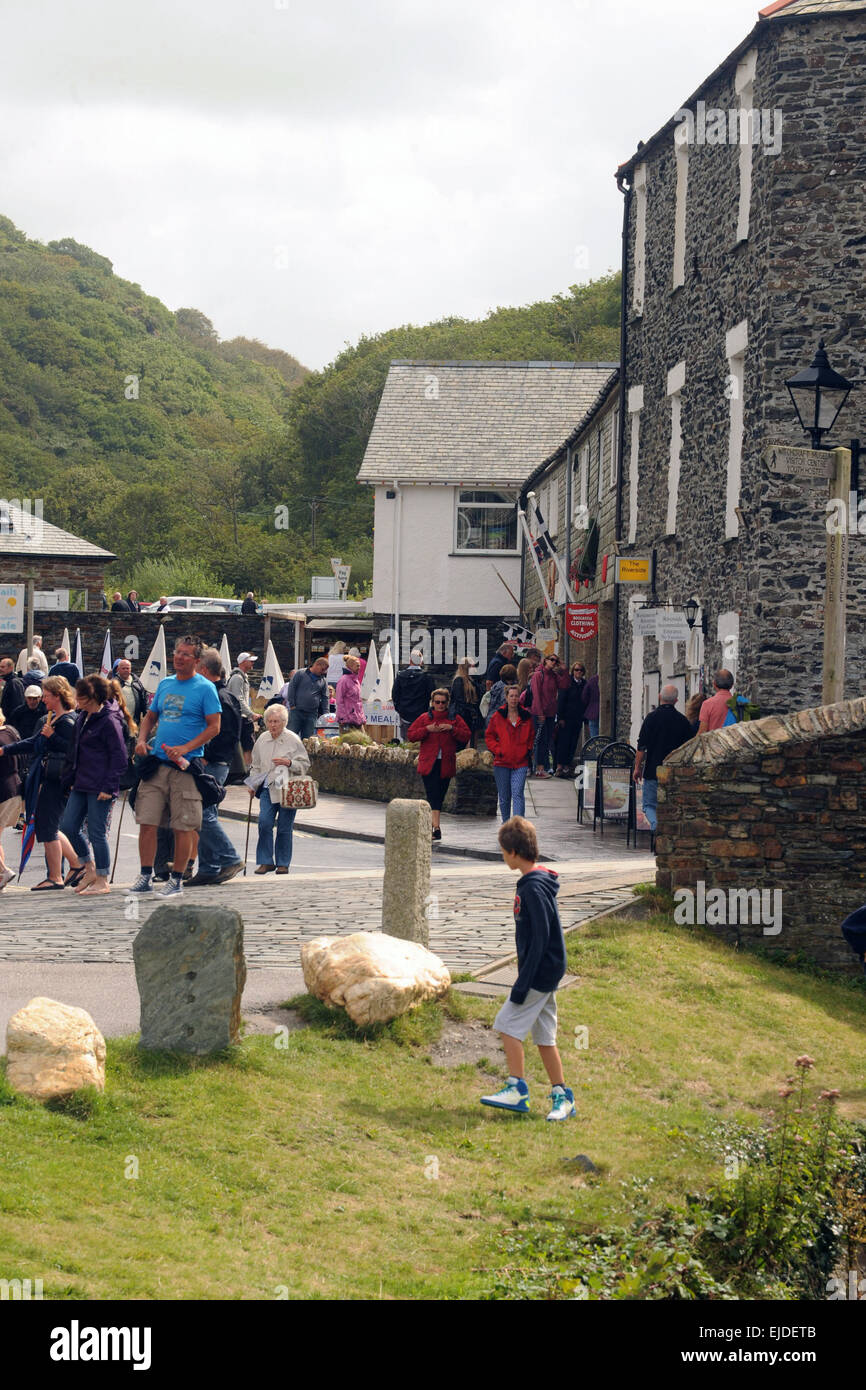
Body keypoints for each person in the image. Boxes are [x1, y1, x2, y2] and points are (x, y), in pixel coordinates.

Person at [479, 816, 574, 1122]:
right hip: (547, 970)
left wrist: (523, 982)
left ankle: (516, 1090)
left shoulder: (532, 889)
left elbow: (542, 937)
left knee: (506, 1024)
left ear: (514, 852)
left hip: (540, 972)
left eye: (503, 852)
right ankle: (563, 1097)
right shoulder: (537, 881)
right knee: (545, 1037)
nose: (503, 856)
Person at [129, 635, 222, 897]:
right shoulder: (166, 684)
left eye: (185, 654)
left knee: (184, 825)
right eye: (177, 652)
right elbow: (150, 716)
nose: (178, 657)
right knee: (147, 821)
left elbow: (215, 727)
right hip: (157, 762)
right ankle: (145, 875)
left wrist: (186, 747)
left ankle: (177, 879)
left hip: (185, 766)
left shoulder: (205, 688)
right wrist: (142, 739)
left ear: (196, 660)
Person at [0, 676, 79, 890]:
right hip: (47, 777)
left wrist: (52, 736)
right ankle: (76, 865)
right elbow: (35, 742)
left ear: (58, 696)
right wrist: (6, 750)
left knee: (47, 827)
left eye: (46, 696)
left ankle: (57, 876)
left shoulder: (67, 720)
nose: (43, 699)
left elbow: (72, 750)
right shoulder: (52, 717)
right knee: (47, 826)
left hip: (57, 779)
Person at [58, 675, 129, 896]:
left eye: (81, 698)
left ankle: (102, 879)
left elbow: (119, 756)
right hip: (81, 782)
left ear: (93, 698)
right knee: (68, 826)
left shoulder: (109, 720)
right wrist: (69, 779)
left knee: (97, 833)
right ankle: (88, 868)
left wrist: (109, 787)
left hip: (101, 785)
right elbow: (75, 750)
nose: (77, 702)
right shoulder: (83, 717)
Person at [188, 648, 244, 886]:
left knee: (203, 813)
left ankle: (230, 857)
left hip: (213, 762)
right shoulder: (221, 694)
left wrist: (207, 755)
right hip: (214, 761)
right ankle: (209, 868)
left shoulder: (220, 697)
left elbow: (228, 733)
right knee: (204, 813)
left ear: (203, 670)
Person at [248, 703, 310, 874]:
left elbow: (305, 764)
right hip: (268, 787)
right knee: (264, 823)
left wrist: (289, 763)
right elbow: (255, 765)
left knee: (284, 827)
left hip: (288, 789)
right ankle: (266, 861)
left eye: (276, 721)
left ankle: (283, 863)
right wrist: (253, 784)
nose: (273, 725)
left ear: (284, 722)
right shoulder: (262, 739)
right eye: (270, 721)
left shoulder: (293, 739)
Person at [407, 689, 470, 842]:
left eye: (443, 702)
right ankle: (436, 827)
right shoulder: (425, 718)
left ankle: (432, 826)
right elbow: (411, 735)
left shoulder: (454, 718)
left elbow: (466, 735)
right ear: (432, 702)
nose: (440, 705)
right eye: (437, 702)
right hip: (429, 763)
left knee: (439, 795)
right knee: (432, 794)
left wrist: (452, 729)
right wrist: (427, 730)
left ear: (447, 703)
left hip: (446, 763)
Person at [633, 683, 693, 834]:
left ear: (660, 697)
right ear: (676, 701)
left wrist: (637, 768)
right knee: (672, 804)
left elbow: (641, 746)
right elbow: (689, 748)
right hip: (674, 771)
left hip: (653, 769)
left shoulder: (651, 718)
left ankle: (656, 826)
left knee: (649, 806)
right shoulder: (683, 721)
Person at [485, 684, 535, 822]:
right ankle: (506, 823)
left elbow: (532, 735)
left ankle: (519, 826)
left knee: (518, 793)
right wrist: (497, 750)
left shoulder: (526, 716)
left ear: (520, 697)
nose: (514, 699)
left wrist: (528, 749)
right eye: (511, 696)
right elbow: (489, 736)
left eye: (516, 696)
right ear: (506, 697)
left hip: (521, 762)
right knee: (504, 796)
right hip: (502, 762)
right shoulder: (498, 716)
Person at [529, 654, 569, 777]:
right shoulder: (538, 675)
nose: (554, 662)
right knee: (540, 740)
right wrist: (540, 713)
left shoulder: (554, 676)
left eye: (556, 661)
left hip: (551, 713)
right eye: (552, 660)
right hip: (539, 713)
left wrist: (565, 670)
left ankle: (542, 768)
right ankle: (539, 768)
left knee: (546, 741)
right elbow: (536, 695)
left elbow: (564, 685)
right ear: (545, 661)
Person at [0, 709, 23, 890]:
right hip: (15, 787)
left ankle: (4, 871)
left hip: (5, 792)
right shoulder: (10, 731)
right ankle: (2, 876)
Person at [226, 652, 262, 767]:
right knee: (247, 744)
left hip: (240, 716)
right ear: (242, 662)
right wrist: (251, 714)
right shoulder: (238, 678)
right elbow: (239, 699)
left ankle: (245, 769)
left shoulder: (241, 677)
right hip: (241, 717)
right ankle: (247, 770)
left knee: (246, 744)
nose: (253, 663)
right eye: (250, 660)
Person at [392, 648, 435, 742]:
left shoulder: (400, 675)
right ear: (421, 662)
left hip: (404, 713)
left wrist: (399, 709)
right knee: (421, 739)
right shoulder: (426, 677)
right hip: (421, 713)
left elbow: (395, 695)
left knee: (407, 740)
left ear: (410, 660)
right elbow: (432, 695)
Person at [285, 656, 330, 740]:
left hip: (312, 714)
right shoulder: (300, 673)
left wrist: (326, 715)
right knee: (290, 737)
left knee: (308, 740)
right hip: (296, 711)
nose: (324, 672)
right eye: (323, 669)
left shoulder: (323, 680)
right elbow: (291, 688)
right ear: (317, 665)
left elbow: (325, 698)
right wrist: (292, 705)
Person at [554, 662, 587, 775]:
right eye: (576, 670)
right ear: (573, 671)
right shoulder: (567, 683)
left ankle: (567, 766)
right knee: (563, 742)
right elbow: (561, 701)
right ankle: (559, 766)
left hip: (577, 718)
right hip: (566, 718)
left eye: (581, 670)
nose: (578, 672)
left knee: (573, 742)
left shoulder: (584, 684)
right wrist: (560, 717)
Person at [449, 658, 481, 740]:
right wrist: (472, 710)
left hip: (469, 714)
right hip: (463, 715)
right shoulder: (459, 680)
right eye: (473, 667)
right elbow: (459, 699)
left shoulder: (471, 680)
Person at [336, 655, 365, 732]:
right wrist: (343, 717)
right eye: (357, 666)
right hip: (346, 719)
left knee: (363, 741)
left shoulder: (356, 680)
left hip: (357, 718)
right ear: (350, 666)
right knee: (347, 742)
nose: (359, 668)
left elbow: (359, 701)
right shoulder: (344, 680)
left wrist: (362, 717)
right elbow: (339, 700)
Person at [114, 658, 148, 725]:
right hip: (118, 722)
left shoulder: (137, 682)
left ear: (130, 669)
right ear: (118, 669)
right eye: (123, 668)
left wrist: (146, 713)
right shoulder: (114, 683)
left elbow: (144, 698)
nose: (126, 670)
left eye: (127, 668)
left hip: (134, 721)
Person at [486, 663, 517, 728]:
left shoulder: (497, 684)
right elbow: (505, 705)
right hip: (500, 720)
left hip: (491, 716)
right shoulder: (506, 689)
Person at [0, 658, 26, 725]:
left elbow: (18, 704)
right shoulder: (9, 682)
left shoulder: (14, 683)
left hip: (12, 723)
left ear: (11, 668)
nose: (0, 669)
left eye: (3, 667)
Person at [582, 672, 600, 741]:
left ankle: (596, 751)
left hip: (592, 711)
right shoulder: (610, 678)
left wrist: (590, 704)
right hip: (607, 710)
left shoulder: (592, 680)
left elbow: (584, 696)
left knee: (594, 737)